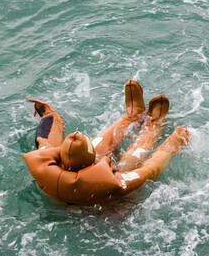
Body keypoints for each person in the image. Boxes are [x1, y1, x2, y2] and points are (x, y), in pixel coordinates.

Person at [22, 80, 190, 207]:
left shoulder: (44, 166)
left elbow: (46, 137)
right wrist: (172, 145)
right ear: (92, 161)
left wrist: (49, 113)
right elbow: (150, 170)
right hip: (103, 208)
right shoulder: (110, 181)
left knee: (97, 145)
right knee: (129, 161)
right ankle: (153, 124)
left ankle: (132, 117)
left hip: (68, 199)